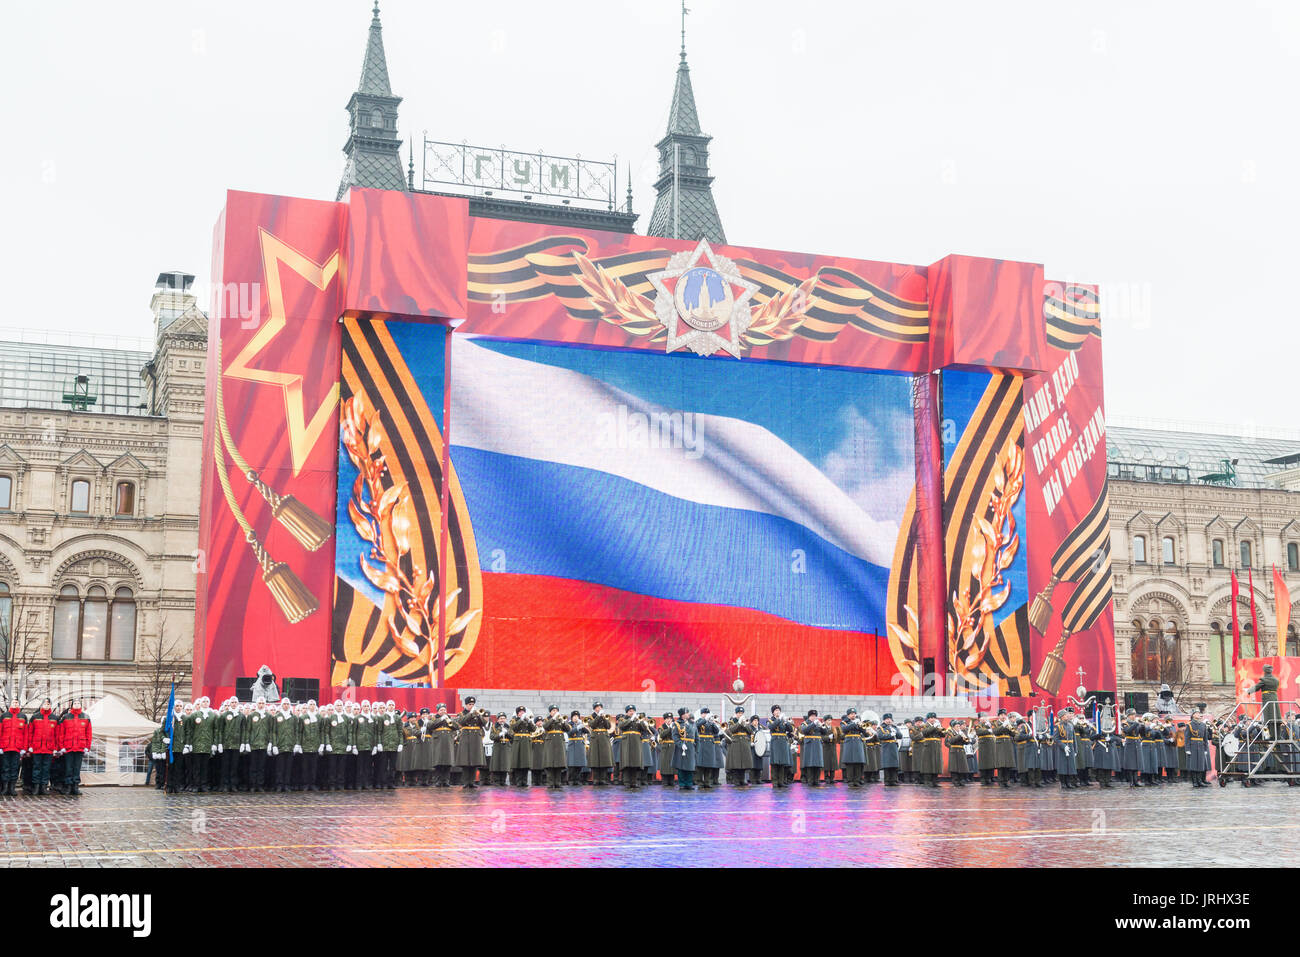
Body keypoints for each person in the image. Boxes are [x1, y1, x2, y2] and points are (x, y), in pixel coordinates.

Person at [57, 699, 92, 796]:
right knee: (68, 768)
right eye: (75, 703)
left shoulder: (86, 717)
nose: (76, 705)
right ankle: (68, 786)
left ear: (81, 705)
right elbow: (61, 734)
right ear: (72, 705)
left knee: (77, 768)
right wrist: (61, 746)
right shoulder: (66, 717)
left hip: (80, 747)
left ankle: (75, 786)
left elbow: (88, 733)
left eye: (78, 703)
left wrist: (87, 747)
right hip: (68, 747)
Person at [26, 699, 58, 796]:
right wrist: (30, 746)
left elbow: (57, 735)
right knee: (37, 768)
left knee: (46, 768)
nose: (46, 705)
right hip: (37, 747)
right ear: (42, 705)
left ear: (50, 705)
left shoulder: (55, 718)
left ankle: (43, 787)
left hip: (49, 748)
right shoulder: (35, 717)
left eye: (48, 704)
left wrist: (56, 748)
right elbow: (30, 733)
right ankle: (36, 787)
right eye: (45, 703)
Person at [455, 698, 488, 789]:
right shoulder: (462, 714)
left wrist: (478, 715)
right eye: (469, 704)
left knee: (474, 761)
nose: (471, 706)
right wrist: (471, 714)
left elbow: (484, 723)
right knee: (466, 761)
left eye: (472, 704)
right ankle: (466, 782)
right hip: (466, 738)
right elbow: (461, 722)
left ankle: (472, 782)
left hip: (476, 739)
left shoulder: (477, 714)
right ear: (466, 705)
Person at [0, 700, 28, 796]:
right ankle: (5, 787)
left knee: (14, 768)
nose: (15, 704)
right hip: (5, 747)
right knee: (5, 768)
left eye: (16, 703)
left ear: (19, 704)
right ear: (10, 704)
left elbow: (26, 734)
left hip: (17, 747)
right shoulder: (4, 716)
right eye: (13, 703)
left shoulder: (23, 717)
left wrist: (24, 748)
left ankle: (12, 788)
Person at [616, 705, 645, 789]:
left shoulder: (638, 719)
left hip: (636, 742)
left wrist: (641, 721)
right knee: (626, 762)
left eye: (633, 711)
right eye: (630, 711)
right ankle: (626, 781)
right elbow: (621, 726)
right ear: (627, 712)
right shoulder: (623, 719)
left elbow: (644, 729)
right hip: (626, 742)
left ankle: (634, 781)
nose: (632, 712)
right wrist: (630, 720)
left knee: (635, 762)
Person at [725, 706, 753, 787]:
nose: (740, 714)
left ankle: (742, 779)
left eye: (741, 713)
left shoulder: (745, 721)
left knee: (744, 763)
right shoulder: (731, 721)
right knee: (736, 764)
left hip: (744, 743)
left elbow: (750, 731)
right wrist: (738, 723)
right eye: (739, 713)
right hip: (736, 743)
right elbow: (731, 730)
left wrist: (745, 725)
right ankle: (736, 780)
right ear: (736, 713)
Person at [586, 703, 613, 786]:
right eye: (597, 707)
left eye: (600, 707)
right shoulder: (590, 717)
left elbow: (608, 726)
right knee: (595, 760)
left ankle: (603, 779)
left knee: (604, 760)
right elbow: (592, 725)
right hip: (595, 739)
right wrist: (598, 716)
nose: (599, 708)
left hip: (604, 739)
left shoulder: (605, 716)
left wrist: (604, 718)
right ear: (594, 709)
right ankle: (596, 779)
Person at [695, 708, 722, 788]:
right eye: (705, 714)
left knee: (709, 764)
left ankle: (707, 781)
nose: (706, 715)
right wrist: (704, 720)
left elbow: (716, 731)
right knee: (701, 764)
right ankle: (699, 781)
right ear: (702, 714)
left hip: (710, 744)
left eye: (707, 714)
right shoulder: (699, 721)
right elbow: (696, 727)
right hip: (702, 744)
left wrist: (713, 723)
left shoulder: (710, 722)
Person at [768, 706, 794, 788]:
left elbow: (790, 729)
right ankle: (775, 781)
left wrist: (786, 722)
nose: (778, 711)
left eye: (779, 710)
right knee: (775, 762)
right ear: (773, 712)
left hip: (783, 741)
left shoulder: (783, 720)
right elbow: (771, 727)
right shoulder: (770, 720)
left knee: (782, 763)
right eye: (776, 710)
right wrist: (779, 720)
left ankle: (781, 781)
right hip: (775, 741)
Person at [839, 708, 865, 787]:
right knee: (850, 763)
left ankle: (857, 780)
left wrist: (861, 726)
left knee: (858, 762)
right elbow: (844, 729)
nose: (853, 715)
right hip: (849, 743)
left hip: (858, 743)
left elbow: (865, 733)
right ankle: (850, 780)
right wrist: (854, 724)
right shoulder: (844, 722)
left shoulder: (858, 721)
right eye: (852, 714)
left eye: (854, 713)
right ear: (848, 715)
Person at [672, 708, 697, 789]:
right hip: (681, 748)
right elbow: (675, 736)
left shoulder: (692, 723)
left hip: (690, 747)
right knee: (681, 766)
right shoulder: (677, 724)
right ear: (682, 715)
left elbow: (697, 737)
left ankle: (689, 783)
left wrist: (697, 748)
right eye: (687, 713)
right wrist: (680, 744)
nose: (688, 714)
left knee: (690, 767)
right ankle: (682, 784)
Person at [509, 707, 534, 786]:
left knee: (525, 763)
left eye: (523, 712)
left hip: (526, 742)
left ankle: (525, 781)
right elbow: (513, 728)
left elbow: (533, 729)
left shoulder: (527, 720)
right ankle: (519, 781)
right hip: (518, 742)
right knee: (518, 762)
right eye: (520, 712)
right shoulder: (514, 720)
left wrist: (529, 721)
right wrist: (520, 720)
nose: (522, 713)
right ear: (517, 714)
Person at [798, 711, 823, 786]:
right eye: (812, 716)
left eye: (815, 716)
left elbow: (824, 732)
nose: (814, 717)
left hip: (817, 745)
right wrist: (813, 724)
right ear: (809, 717)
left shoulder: (818, 723)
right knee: (810, 763)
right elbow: (804, 730)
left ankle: (817, 780)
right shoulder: (805, 723)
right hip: (809, 745)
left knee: (817, 764)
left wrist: (822, 726)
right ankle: (810, 780)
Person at [489, 713, 512, 786]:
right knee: (497, 764)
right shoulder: (494, 727)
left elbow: (512, 736)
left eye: (504, 718)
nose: (502, 720)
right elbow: (491, 736)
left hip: (506, 747)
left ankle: (503, 781)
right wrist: (499, 734)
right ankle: (497, 781)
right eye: (501, 718)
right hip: (498, 746)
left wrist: (507, 732)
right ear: (498, 719)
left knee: (505, 764)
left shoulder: (508, 727)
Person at [878, 714, 901, 786]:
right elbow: (880, 736)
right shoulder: (881, 728)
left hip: (894, 747)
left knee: (894, 765)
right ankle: (887, 781)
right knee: (887, 765)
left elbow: (900, 736)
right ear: (884, 720)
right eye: (887, 719)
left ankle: (894, 780)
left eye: (890, 719)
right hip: (886, 747)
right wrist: (890, 735)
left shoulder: (894, 727)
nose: (889, 720)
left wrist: (896, 731)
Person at [657, 712, 676, 787]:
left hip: (673, 747)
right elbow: (662, 734)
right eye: (667, 719)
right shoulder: (661, 727)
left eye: (670, 719)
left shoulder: (675, 726)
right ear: (664, 720)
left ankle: (671, 780)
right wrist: (670, 728)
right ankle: (665, 781)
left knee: (672, 765)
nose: (669, 720)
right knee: (665, 765)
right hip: (665, 747)